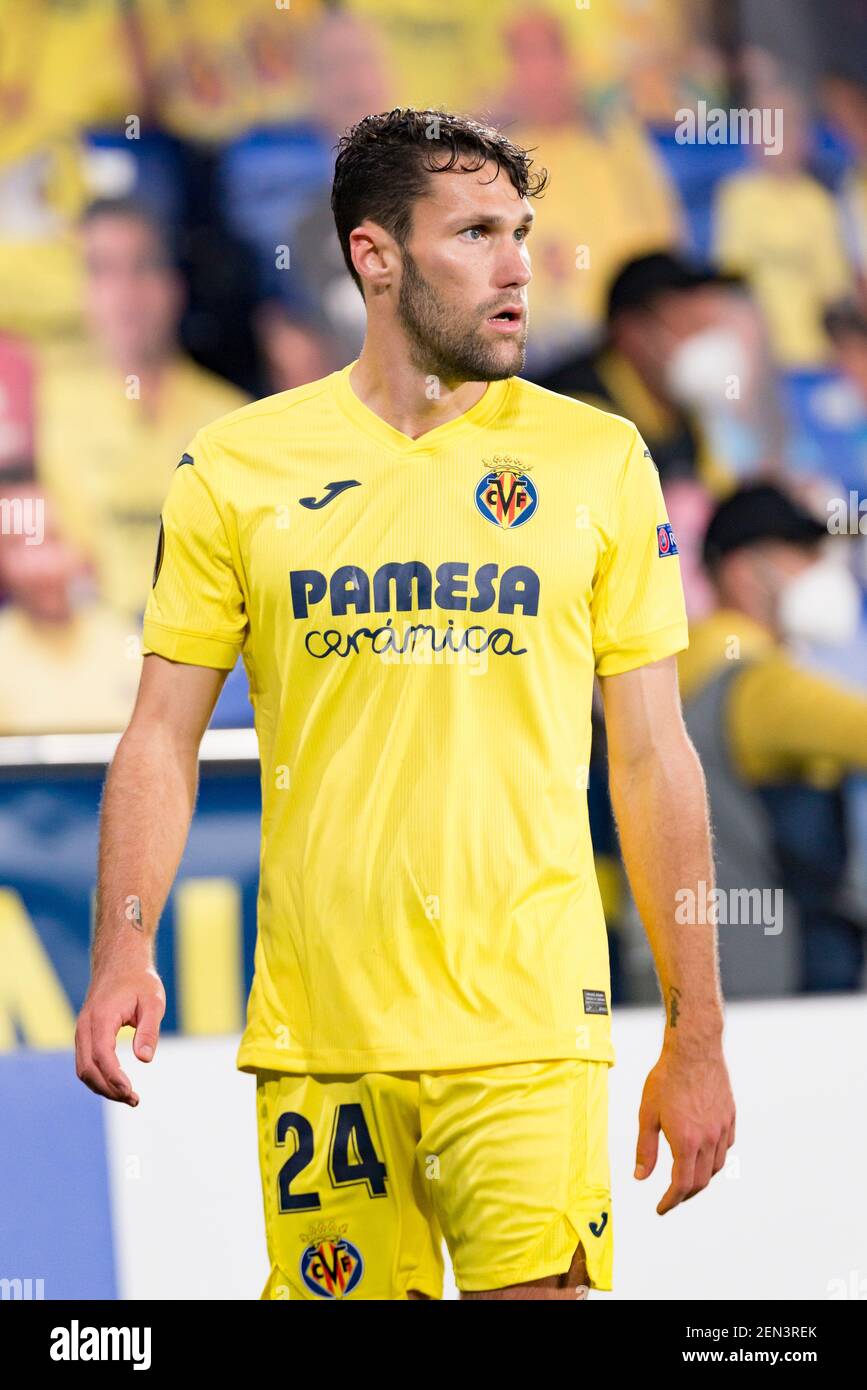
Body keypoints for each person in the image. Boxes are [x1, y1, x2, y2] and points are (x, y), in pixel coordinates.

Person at [75, 108, 735, 1302]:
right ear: (374, 256)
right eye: (475, 233)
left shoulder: (600, 461)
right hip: (322, 1041)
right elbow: (161, 736)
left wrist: (698, 1034)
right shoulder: (236, 466)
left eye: (520, 231)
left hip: (528, 1026)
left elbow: (652, 759)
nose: (518, 265)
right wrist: (125, 938)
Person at [678, 483, 867, 998]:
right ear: (743, 572)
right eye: (803, 553)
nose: (823, 570)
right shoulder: (759, 685)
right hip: (786, 997)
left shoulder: (681, 671)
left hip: (714, 985)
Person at [36, 197, 249, 624]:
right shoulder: (42, 406)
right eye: (102, 269)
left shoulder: (234, 419)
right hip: (80, 640)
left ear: (174, 286)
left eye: (142, 266)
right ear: (81, 291)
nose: (125, 292)